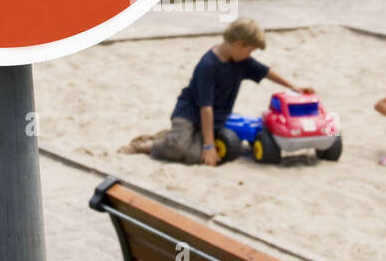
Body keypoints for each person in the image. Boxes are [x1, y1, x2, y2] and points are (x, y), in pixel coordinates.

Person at [130, 18, 312, 166]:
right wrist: (209, 145)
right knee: (180, 149)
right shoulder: (208, 65)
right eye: (250, 50)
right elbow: (205, 107)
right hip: (189, 114)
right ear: (239, 44)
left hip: (216, 118)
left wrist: (293, 87)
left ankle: (178, 137)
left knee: (195, 156)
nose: (251, 55)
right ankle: (150, 144)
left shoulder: (242, 61)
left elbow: (265, 72)